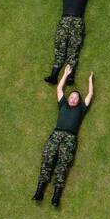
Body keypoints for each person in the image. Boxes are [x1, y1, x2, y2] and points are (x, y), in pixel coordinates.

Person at [33, 66, 94, 207]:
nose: (73, 99)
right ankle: (39, 191)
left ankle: (56, 197)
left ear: (79, 101)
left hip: (70, 138)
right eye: (72, 97)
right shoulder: (63, 105)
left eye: (76, 98)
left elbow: (90, 95)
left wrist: (90, 81)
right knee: (47, 159)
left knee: (62, 165)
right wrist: (65, 74)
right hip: (56, 134)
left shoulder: (81, 109)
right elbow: (59, 89)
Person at [47, 0, 95, 84]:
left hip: (77, 23)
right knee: (59, 47)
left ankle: (70, 76)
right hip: (64, 21)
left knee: (73, 49)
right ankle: (54, 75)